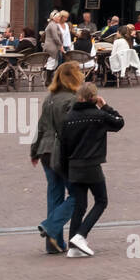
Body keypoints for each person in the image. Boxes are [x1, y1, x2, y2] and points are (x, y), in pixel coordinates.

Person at [56, 82, 124, 257]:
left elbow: (63, 148)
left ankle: (72, 246)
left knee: (80, 205)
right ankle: (80, 235)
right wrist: (105, 106)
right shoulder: (98, 115)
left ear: (79, 96)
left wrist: (65, 171)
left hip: (74, 166)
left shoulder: (68, 117)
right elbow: (119, 123)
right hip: (92, 165)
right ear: (94, 97)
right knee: (101, 201)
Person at [30, 62, 83, 252]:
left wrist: (34, 151)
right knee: (78, 195)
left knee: (55, 194)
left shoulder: (49, 98)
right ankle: (51, 226)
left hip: (45, 151)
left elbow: (41, 126)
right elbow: (71, 130)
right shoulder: (72, 99)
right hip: (62, 153)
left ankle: (53, 243)